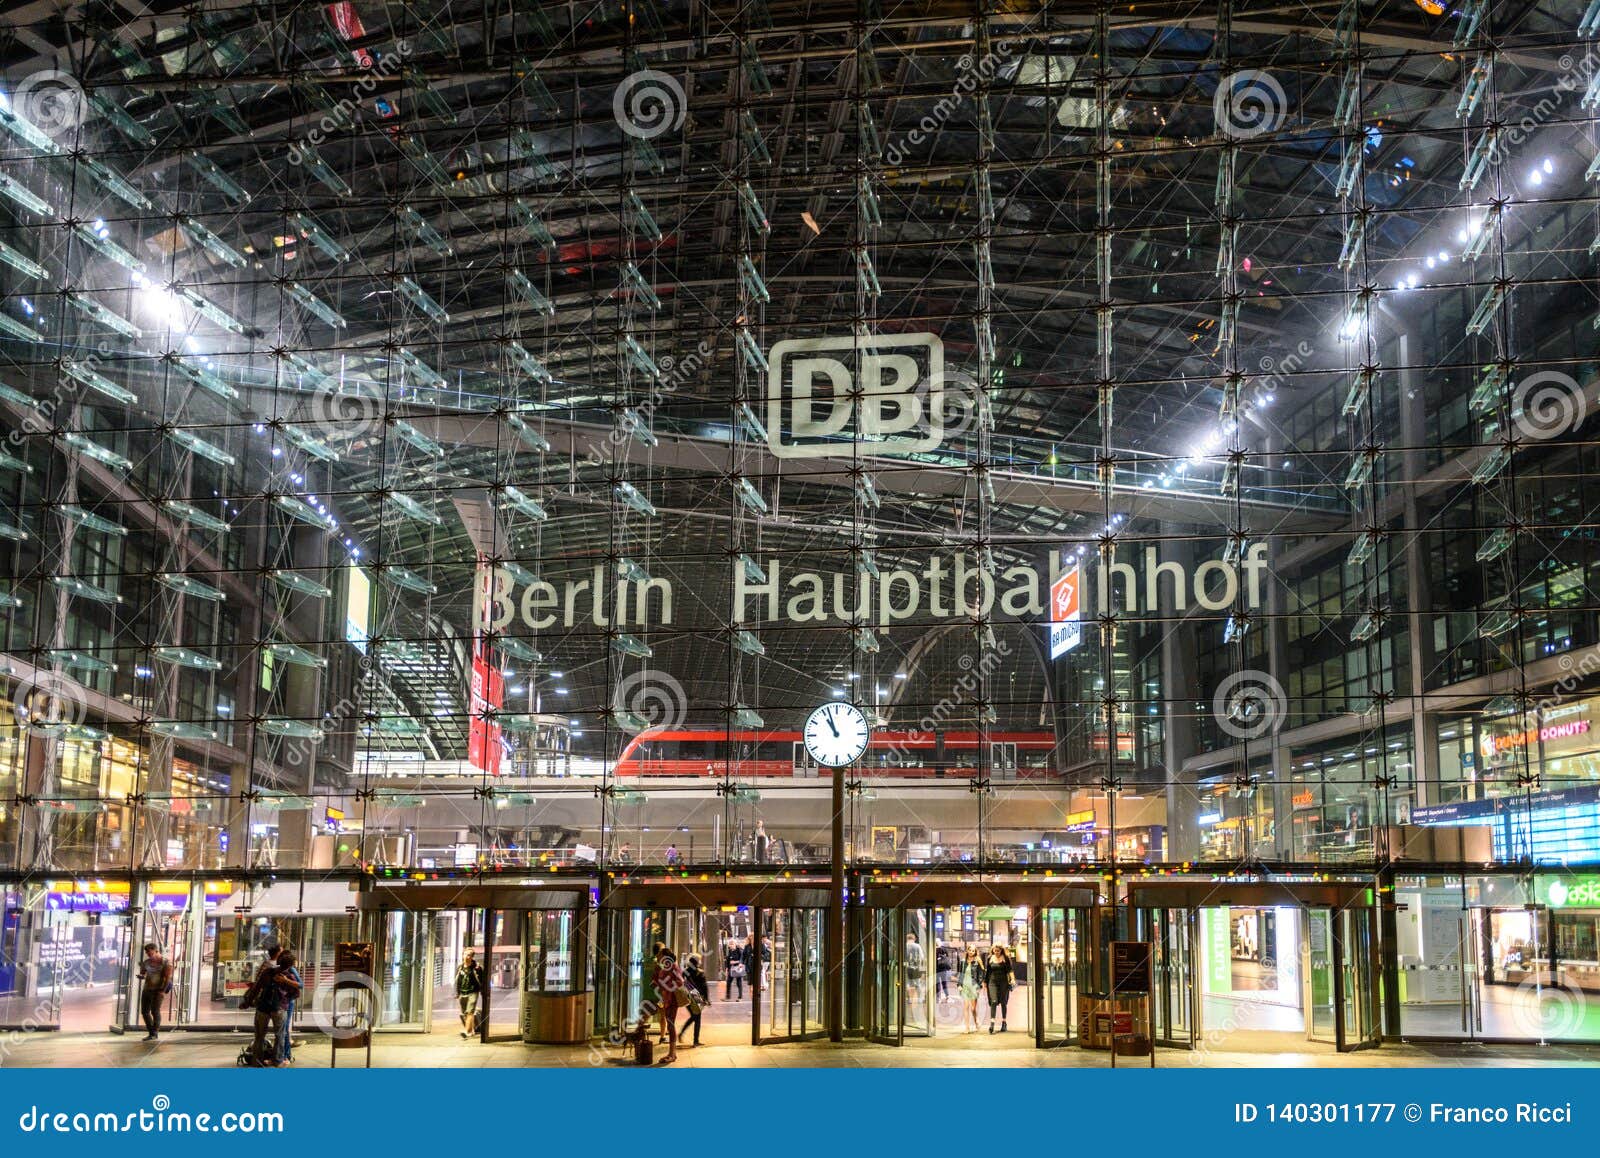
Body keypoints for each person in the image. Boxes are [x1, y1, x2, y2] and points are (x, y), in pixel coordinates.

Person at [243, 948, 300, 1066]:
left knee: (259, 1035)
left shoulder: (268, 972)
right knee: (280, 1035)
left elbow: (256, 988)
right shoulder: (289, 976)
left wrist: (247, 1002)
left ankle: (257, 1061)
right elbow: (296, 993)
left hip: (263, 1007)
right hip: (279, 1008)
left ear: (279, 961)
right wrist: (285, 999)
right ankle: (277, 1060)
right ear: (291, 965)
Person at [652, 947, 685, 1064]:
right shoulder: (665, 967)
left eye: (660, 955)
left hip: (672, 999)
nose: (658, 957)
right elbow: (659, 982)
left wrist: (667, 986)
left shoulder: (673, 967)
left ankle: (672, 1054)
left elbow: (680, 981)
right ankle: (672, 1053)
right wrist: (656, 975)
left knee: (670, 1025)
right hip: (666, 999)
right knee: (670, 1024)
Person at [134, 942, 172, 1041]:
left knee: (155, 1011)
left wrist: (163, 991)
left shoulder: (166, 962)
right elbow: (143, 973)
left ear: (156, 950)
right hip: (147, 989)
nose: (148, 955)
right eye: (147, 953)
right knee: (145, 1012)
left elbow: (168, 978)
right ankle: (152, 1032)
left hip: (158, 990)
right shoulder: (146, 962)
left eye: (150, 953)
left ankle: (154, 1033)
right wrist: (141, 976)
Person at [275, 950, 302, 1064]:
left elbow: (301, 984)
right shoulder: (279, 969)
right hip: (282, 1001)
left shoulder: (291, 969)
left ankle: (286, 1055)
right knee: (283, 1029)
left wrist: (286, 980)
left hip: (289, 1001)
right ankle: (286, 1055)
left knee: (284, 1029)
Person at [679, 954, 710, 1047]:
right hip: (697, 996)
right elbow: (704, 987)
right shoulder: (700, 972)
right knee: (697, 1018)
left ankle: (683, 1034)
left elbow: (681, 983)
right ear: (697, 962)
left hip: (687, 996)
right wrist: (707, 999)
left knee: (693, 1016)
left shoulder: (684, 972)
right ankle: (695, 1040)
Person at [455, 949, 487, 1038]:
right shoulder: (460, 967)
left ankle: (467, 1032)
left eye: (468, 955)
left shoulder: (477, 967)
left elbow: (482, 980)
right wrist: (457, 992)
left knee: (470, 1012)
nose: (466, 956)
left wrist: (483, 990)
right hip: (462, 992)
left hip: (473, 992)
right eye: (465, 954)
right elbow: (457, 980)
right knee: (465, 1013)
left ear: (472, 957)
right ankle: (471, 1030)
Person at [985, 944, 1013, 1033]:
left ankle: (1004, 1022)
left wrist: (1012, 979)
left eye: (998, 951)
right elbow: (988, 972)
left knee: (1003, 1002)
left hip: (1003, 982)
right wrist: (985, 982)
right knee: (993, 1001)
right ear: (992, 950)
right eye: (995, 950)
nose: (996, 952)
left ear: (1001, 950)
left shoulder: (1005, 958)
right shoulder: (989, 958)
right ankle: (992, 1024)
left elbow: (1010, 970)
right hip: (992, 982)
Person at [959, 945, 984, 1032]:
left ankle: (976, 1020)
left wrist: (979, 986)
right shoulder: (963, 961)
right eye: (970, 950)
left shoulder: (978, 961)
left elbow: (981, 975)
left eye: (973, 951)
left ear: (975, 952)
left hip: (974, 985)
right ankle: (967, 1027)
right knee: (966, 1007)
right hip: (965, 985)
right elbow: (961, 973)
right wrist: (959, 984)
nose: (971, 952)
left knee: (973, 1008)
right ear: (967, 951)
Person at [904, 932, 925, 1008]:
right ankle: (920, 999)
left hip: (907, 967)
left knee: (908, 983)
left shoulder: (905, 946)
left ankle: (909, 998)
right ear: (914, 939)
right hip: (916, 967)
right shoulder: (917, 946)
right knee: (918, 984)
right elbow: (922, 957)